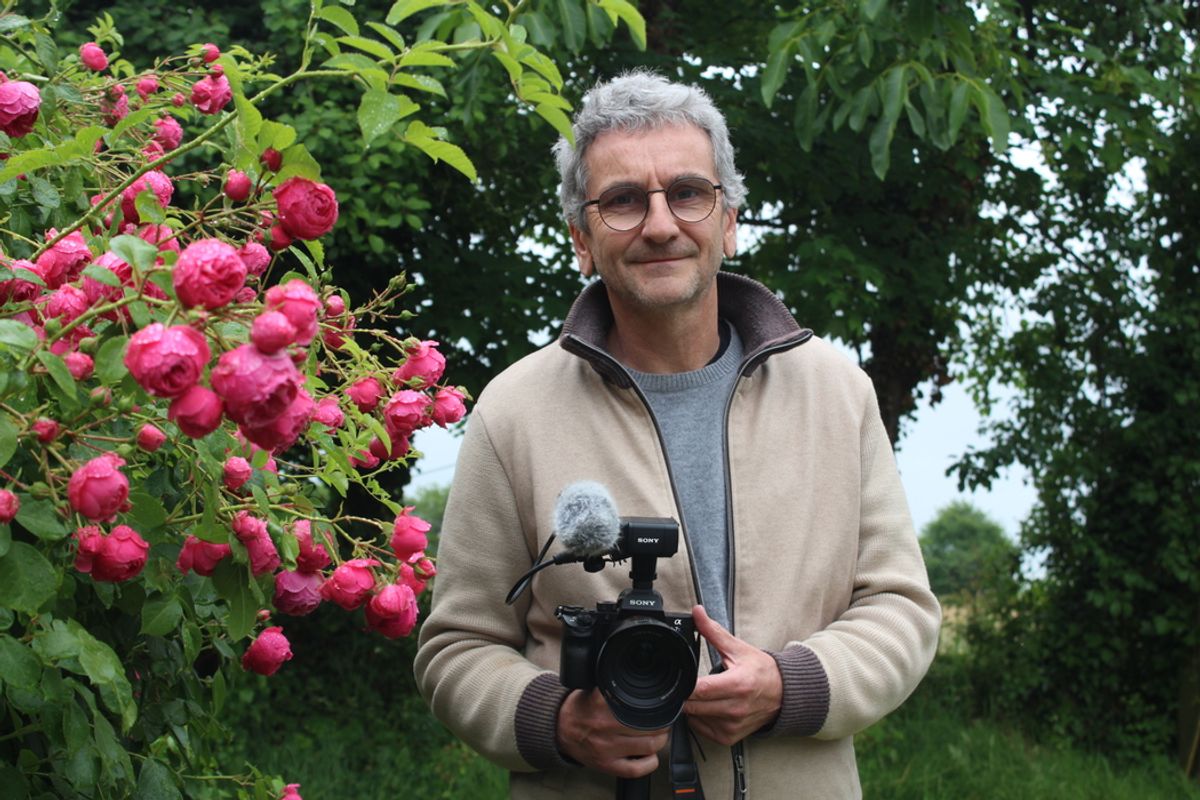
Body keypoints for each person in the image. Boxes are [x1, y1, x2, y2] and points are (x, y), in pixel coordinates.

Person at [414, 70, 941, 799]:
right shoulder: (513, 413)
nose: (661, 224)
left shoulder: (836, 394)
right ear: (581, 240)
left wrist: (790, 687)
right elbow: (456, 647)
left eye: (688, 193)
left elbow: (901, 609)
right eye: (624, 201)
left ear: (728, 220)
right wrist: (560, 722)